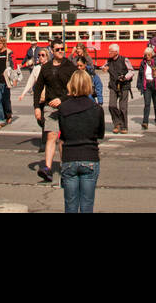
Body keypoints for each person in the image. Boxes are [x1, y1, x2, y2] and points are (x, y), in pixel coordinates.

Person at [57, 70, 104, 213]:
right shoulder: (96, 109)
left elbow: (62, 134)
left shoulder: (63, 108)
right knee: (87, 205)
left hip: (69, 157)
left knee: (70, 205)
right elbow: (100, 134)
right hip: (89, 156)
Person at [32, 40, 77, 183]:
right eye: (57, 49)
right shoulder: (46, 68)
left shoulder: (70, 67)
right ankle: (47, 168)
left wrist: (62, 99)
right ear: (52, 51)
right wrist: (37, 107)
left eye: (62, 49)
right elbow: (38, 88)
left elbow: (75, 88)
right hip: (50, 108)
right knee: (51, 136)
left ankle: (65, 169)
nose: (61, 51)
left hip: (67, 106)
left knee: (63, 139)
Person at [136, 46, 156, 128]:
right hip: (147, 85)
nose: (147, 56)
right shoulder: (143, 63)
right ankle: (145, 122)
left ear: (152, 55)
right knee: (147, 104)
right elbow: (140, 75)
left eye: (148, 55)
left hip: (155, 84)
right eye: (146, 55)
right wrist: (139, 85)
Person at [105, 43, 131, 133]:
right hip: (113, 85)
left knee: (123, 107)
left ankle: (124, 126)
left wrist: (125, 77)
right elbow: (104, 66)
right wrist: (104, 68)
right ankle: (117, 123)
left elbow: (131, 71)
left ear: (116, 52)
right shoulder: (109, 60)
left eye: (111, 51)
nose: (109, 53)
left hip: (124, 86)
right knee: (111, 105)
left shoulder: (124, 59)